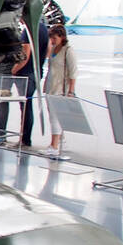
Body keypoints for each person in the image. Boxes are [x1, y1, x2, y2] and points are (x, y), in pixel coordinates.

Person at [0, 19, 33, 146]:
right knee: (3, 103)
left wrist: (14, 68)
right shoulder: (15, 33)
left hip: (3, 71)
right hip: (5, 70)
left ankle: (0, 133)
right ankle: (1, 132)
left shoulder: (7, 33)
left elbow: (25, 51)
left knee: (1, 102)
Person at [45, 24, 77, 157]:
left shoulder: (68, 50)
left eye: (54, 38)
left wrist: (71, 91)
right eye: (51, 38)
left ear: (62, 37)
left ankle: (54, 145)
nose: (52, 40)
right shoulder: (53, 49)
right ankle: (59, 140)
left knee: (55, 117)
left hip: (60, 89)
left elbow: (73, 72)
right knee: (53, 116)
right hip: (50, 87)